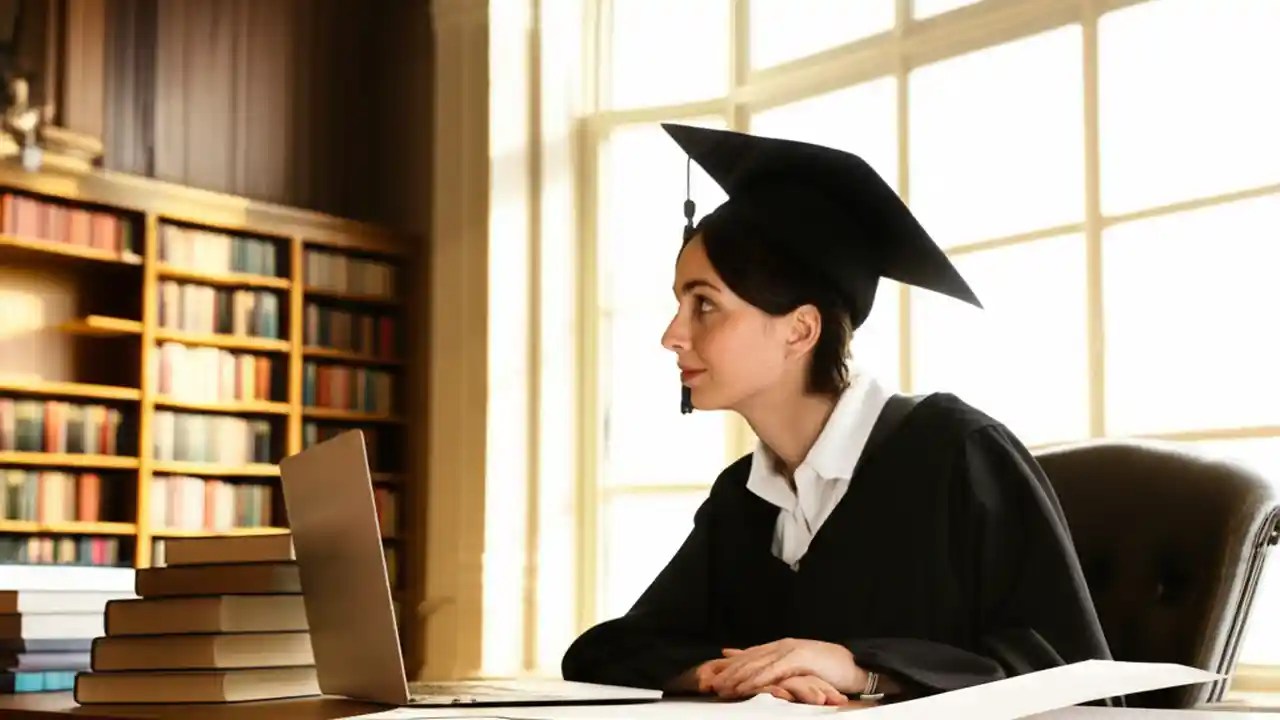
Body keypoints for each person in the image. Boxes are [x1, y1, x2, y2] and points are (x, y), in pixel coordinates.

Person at [560, 124, 1116, 707]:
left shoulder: (959, 454)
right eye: (679, 303)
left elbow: (1077, 681)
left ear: (800, 329)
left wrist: (860, 669)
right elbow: (611, 651)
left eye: (704, 305)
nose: (673, 335)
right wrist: (723, 674)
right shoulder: (745, 501)